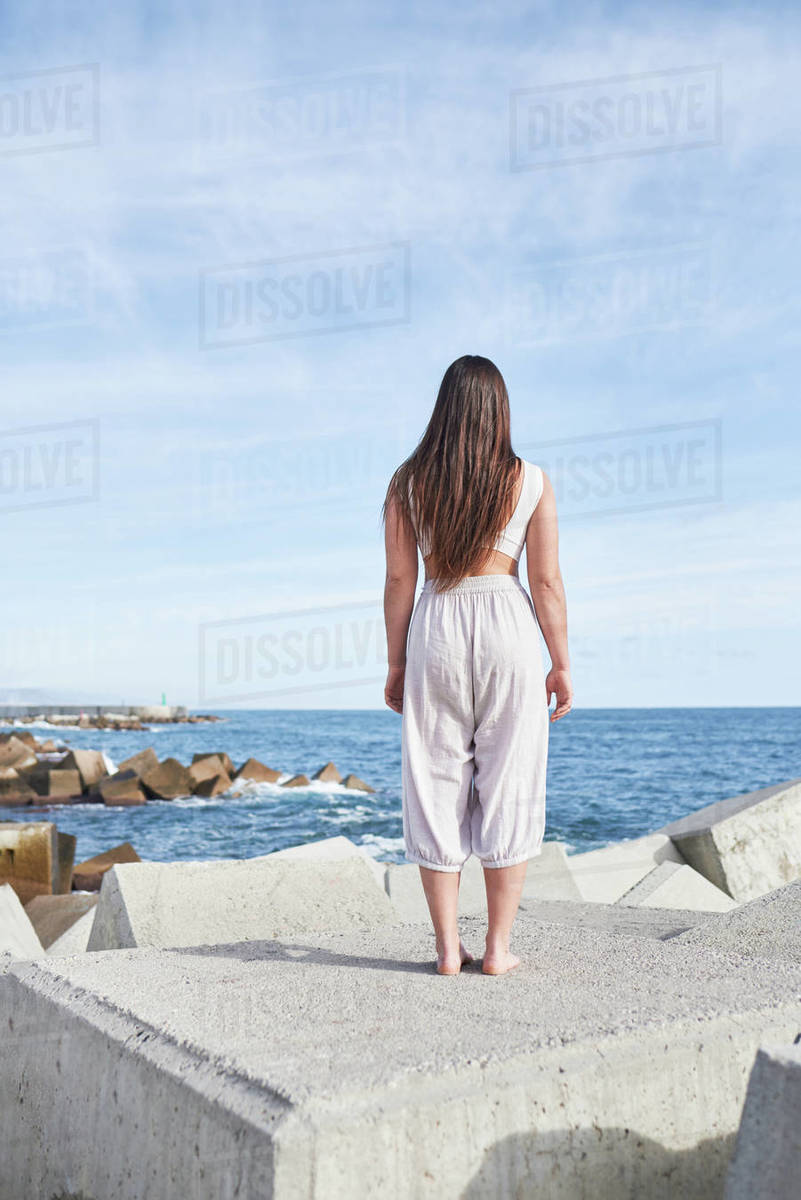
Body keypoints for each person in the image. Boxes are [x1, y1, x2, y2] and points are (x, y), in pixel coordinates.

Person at [381, 355, 572, 977]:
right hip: (508, 627)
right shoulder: (532, 479)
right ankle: (496, 949)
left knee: (435, 782)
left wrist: (395, 662)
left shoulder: (408, 482)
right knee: (509, 781)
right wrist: (561, 662)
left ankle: (444, 949)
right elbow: (544, 581)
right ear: (499, 410)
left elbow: (398, 580)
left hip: (435, 622)